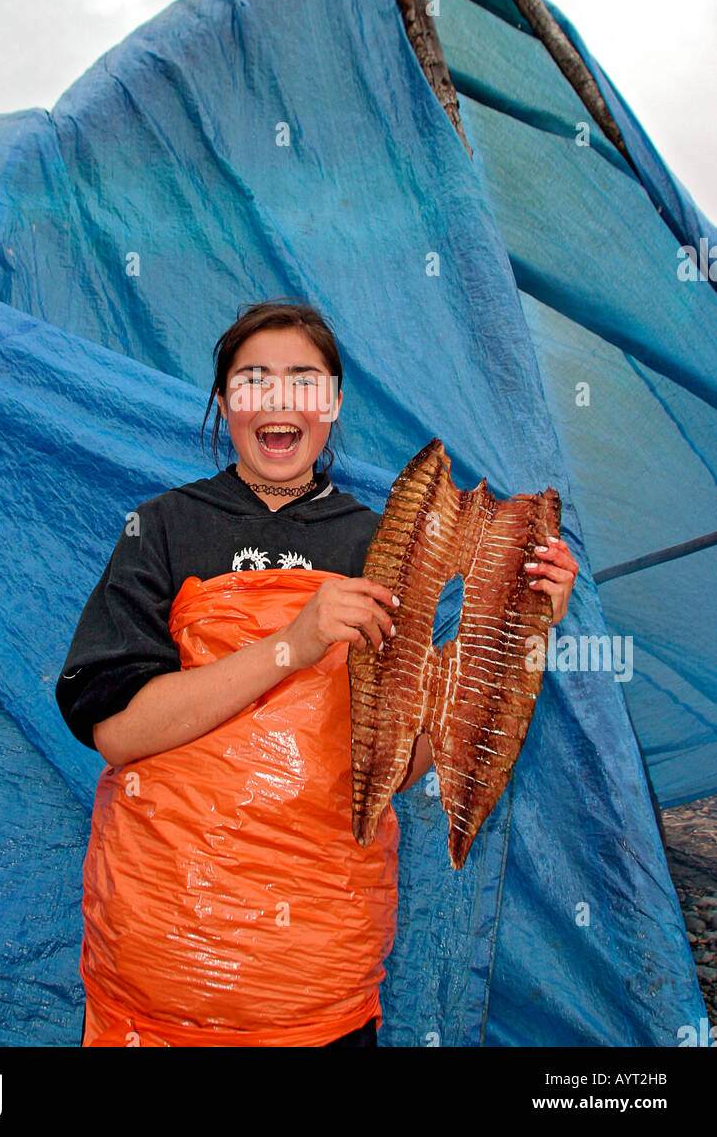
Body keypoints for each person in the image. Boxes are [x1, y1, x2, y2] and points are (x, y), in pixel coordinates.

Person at [56, 298, 578, 1048]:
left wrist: (519, 631)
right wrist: (290, 646)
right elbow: (119, 732)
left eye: (304, 380)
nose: (279, 399)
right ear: (223, 402)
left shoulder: (384, 545)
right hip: (155, 989)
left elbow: (399, 765)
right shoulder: (162, 528)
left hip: (321, 992)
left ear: (332, 403)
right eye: (253, 380)